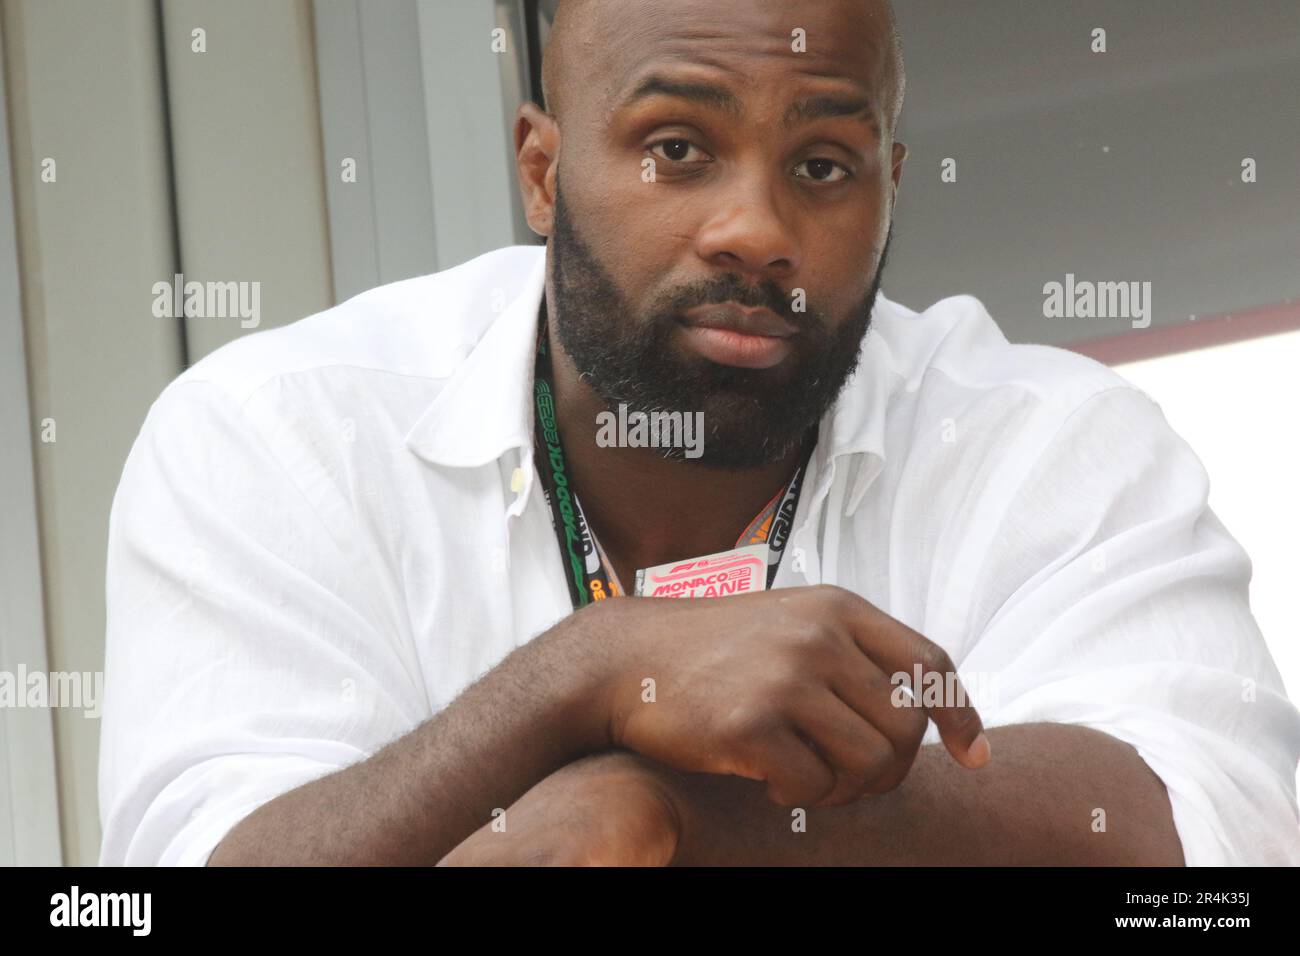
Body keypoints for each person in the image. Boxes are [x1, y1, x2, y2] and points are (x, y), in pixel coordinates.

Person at [99, 0, 1300, 866]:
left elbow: (1204, 834)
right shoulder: (277, 435)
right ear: (542, 168)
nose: (755, 228)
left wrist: (668, 812)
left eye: (823, 163)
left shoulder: (1048, 441)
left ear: (889, 188)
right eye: (678, 147)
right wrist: (588, 672)